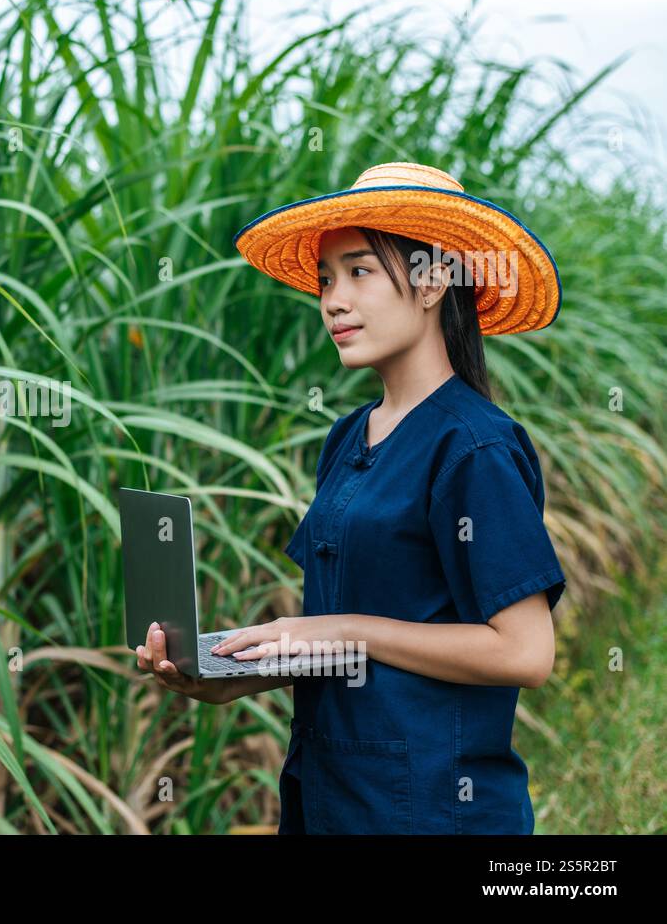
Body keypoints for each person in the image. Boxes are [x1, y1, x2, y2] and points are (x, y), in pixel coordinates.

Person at [136, 162, 567, 834]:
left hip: (429, 805)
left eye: (361, 271)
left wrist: (339, 628)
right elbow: (350, 645)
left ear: (431, 283)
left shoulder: (474, 448)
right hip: (330, 794)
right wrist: (226, 674)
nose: (334, 300)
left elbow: (524, 653)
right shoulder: (348, 437)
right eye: (326, 280)